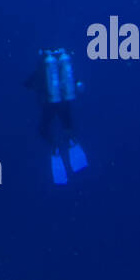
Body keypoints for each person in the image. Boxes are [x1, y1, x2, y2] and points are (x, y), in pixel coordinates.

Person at [26, 48, 88, 185]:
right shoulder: (62, 69)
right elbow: (73, 82)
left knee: (43, 129)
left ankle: (55, 148)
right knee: (68, 127)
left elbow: (29, 83)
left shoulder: (42, 68)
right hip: (64, 104)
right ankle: (71, 141)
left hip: (49, 105)